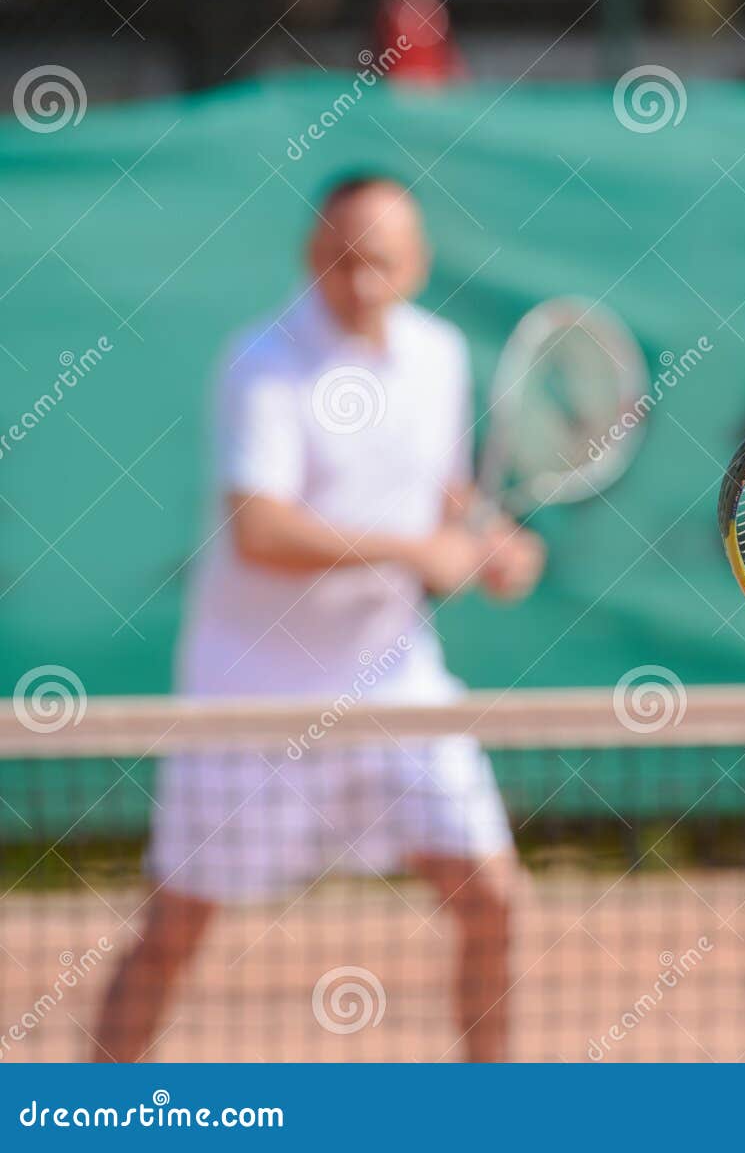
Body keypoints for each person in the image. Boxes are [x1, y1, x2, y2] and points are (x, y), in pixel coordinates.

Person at [93, 174, 543, 1062]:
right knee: (176, 928)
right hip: (251, 687)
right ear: (311, 256)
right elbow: (259, 530)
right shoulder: (260, 361)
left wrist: (489, 541)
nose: (361, 281)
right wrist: (416, 552)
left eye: (382, 262)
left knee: (493, 901)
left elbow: (443, 491)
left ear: (418, 265)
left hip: (394, 679)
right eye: (342, 260)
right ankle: (87, 1110)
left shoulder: (441, 355)